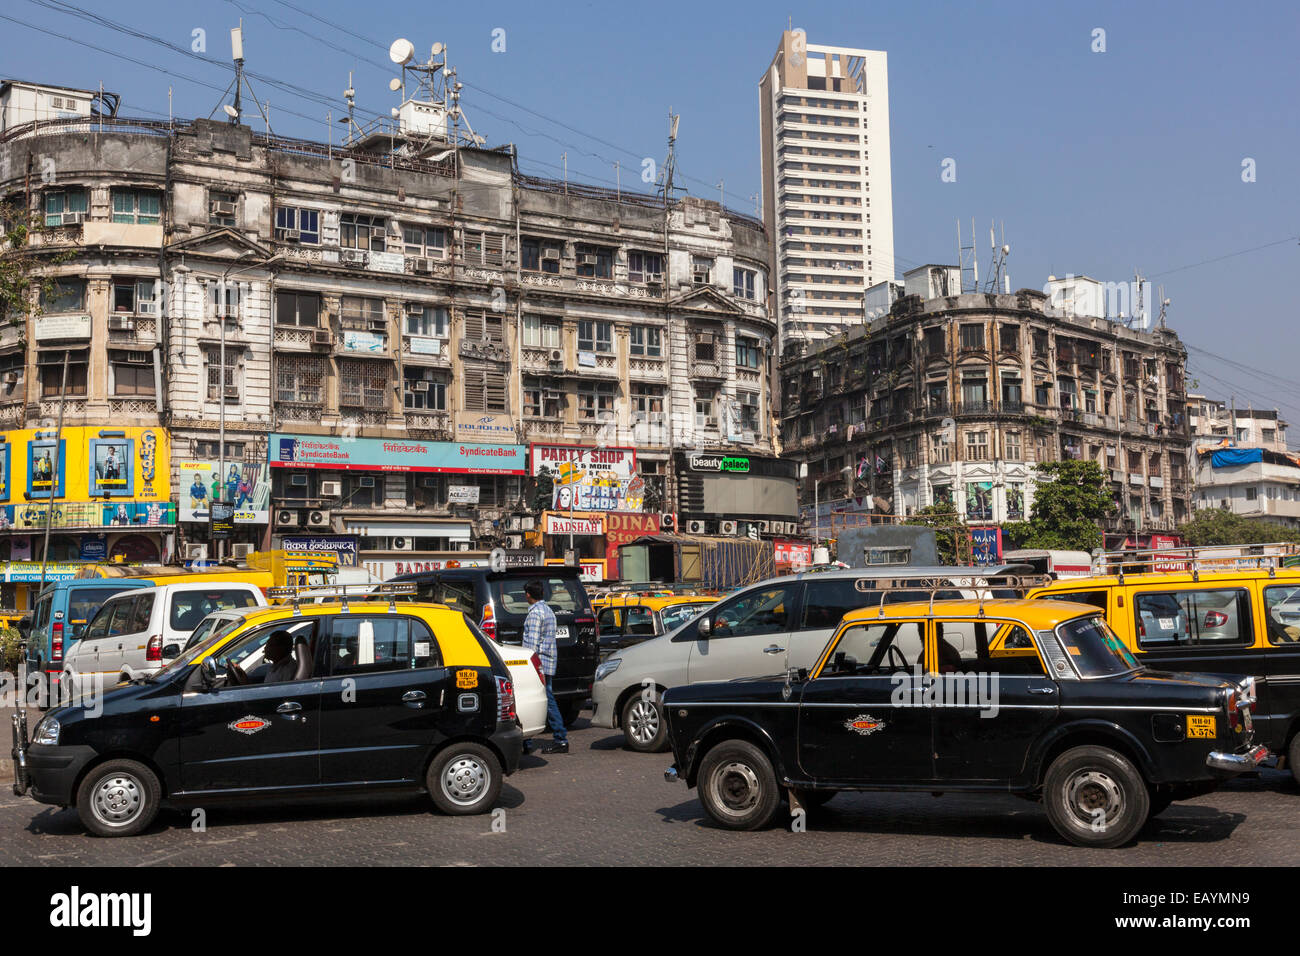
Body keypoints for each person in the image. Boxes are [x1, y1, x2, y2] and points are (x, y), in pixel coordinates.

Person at [522, 579, 567, 754]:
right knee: (545, 698)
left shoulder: (534, 614)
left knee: (540, 700)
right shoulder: (548, 611)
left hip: (536, 664)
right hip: (548, 661)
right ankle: (531, 741)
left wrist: (526, 665)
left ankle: (559, 738)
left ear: (528, 595)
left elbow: (532, 644)